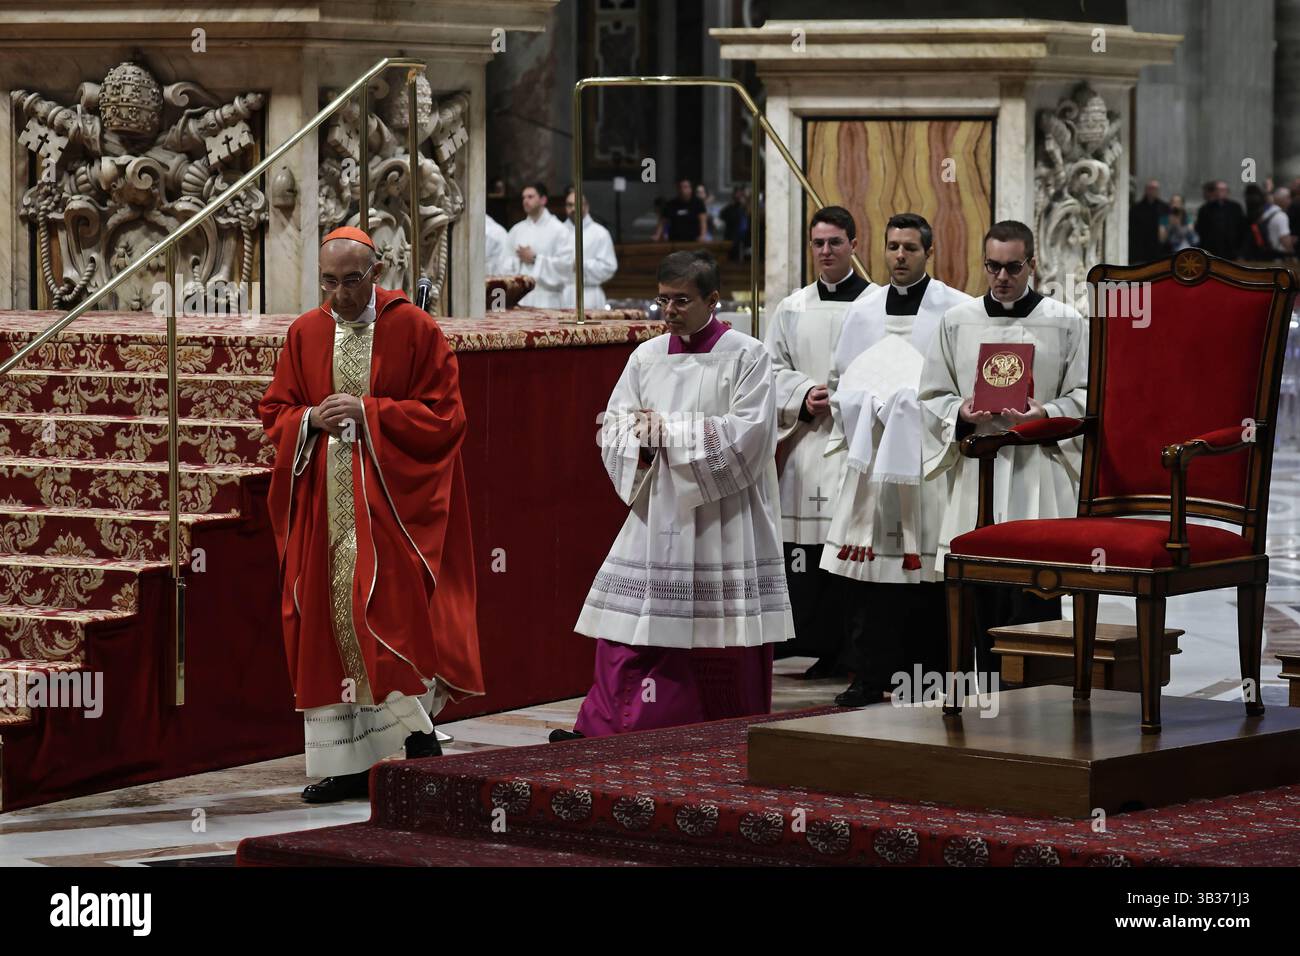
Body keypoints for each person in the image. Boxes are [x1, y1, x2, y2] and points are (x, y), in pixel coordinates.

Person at [260, 226, 484, 802]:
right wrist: (309, 419)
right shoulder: (306, 332)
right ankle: (349, 764)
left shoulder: (414, 327)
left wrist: (369, 412)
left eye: (351, 280)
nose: (339, 294)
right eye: (328, 282)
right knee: (330, 623)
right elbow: (277, 409)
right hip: (324, 507)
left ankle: (417, 738)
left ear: (376, 273)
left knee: (384, 617)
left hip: (389, 505)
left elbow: (446, 416)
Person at [551, 250, 792, 739]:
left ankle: (721, 730)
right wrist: (637, 440)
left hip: (725, 517)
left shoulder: (747, 355)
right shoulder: (646, 357)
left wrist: (670, 431)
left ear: (713, 299)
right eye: (663, 300)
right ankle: (606, 727)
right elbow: (614, 424)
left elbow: (750, 436)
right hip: (659, 512)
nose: (670, 311)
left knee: (718, 634)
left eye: (682, 300)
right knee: (633, 628)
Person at [918, 220, 1088, 680]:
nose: (1002, 277)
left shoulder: (1065, 321)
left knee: (1037, 592)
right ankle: (988, 694)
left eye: (1013, 267)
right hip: (978, 473)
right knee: (982, 591)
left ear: (1033, 263)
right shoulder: (957, 321)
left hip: (1038, 472)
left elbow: (1088, 396)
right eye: (993, 266)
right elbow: (930, 395)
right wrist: (961, 411)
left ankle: (1040, 695)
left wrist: (1046, 412)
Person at [823, 212, 971, 706]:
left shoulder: (956, 309)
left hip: (927, 463)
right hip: (873, 463)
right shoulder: (863, 310)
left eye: (910, 248)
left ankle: (929, 675)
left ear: (929, 252)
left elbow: (959, 385)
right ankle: (867, 676)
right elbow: (839, 381)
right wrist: (865, 406)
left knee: (925, 575)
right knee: (870, 579)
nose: (900, 256)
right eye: (892, 247)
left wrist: (916, 410)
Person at [762, 205, 870, 679]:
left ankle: (856, 650)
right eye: (818, 243)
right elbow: (769, 369)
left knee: (850, 553)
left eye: (835, 242)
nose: (826, 251)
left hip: (856, 445)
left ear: (853, 245)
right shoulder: (793, 307)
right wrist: (803, 395)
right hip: (807, 441)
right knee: (807, 555)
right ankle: (822, 647)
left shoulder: (876, 305)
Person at [540, 187, 619, 309]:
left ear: (586, 206)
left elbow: (609, 267)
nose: (573, 209)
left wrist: (580, 265)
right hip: (561, 294)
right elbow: (547, 263)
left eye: (577, 204)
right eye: (569, 205)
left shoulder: (600, 233)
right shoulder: (557, 232)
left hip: (589, 294)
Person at [506, 182, 570, 307]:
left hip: (549, 299)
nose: (525, 201)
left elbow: (565, 265)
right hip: (522, 299)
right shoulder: (516, 230)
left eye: (530, 197)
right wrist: (518, 261)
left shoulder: (559, 230)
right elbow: (504, 264)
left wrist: (535, 259)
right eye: (523, 197)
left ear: (543, 200)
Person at [1194, 180, 1246, 259]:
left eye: (1223, 190)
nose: (1220, 192)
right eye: (1218, 189)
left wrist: (1240, 250)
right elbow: (1201, 229)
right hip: (1212, 249)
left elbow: (1241, 228)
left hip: (1231, 249)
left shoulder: (1235, 207)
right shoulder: (1205, 208)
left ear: (1227, 192)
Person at [1128, 179, 1170, 263]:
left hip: (1158, 248)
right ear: (1146, 190)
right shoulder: (1136, 208)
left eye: (1155, 189)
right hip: (1140, 248)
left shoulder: (1164, 207)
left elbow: (1166, 225)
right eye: (1150, 188)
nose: (1152, 191)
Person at [719, 186, 751, 261]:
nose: (739, 197)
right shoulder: (730, 209)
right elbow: (722, 215)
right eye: (738, 194)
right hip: (732, 239)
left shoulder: (749, 209)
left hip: (747, 240)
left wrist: (746, 206)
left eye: (742, 195)